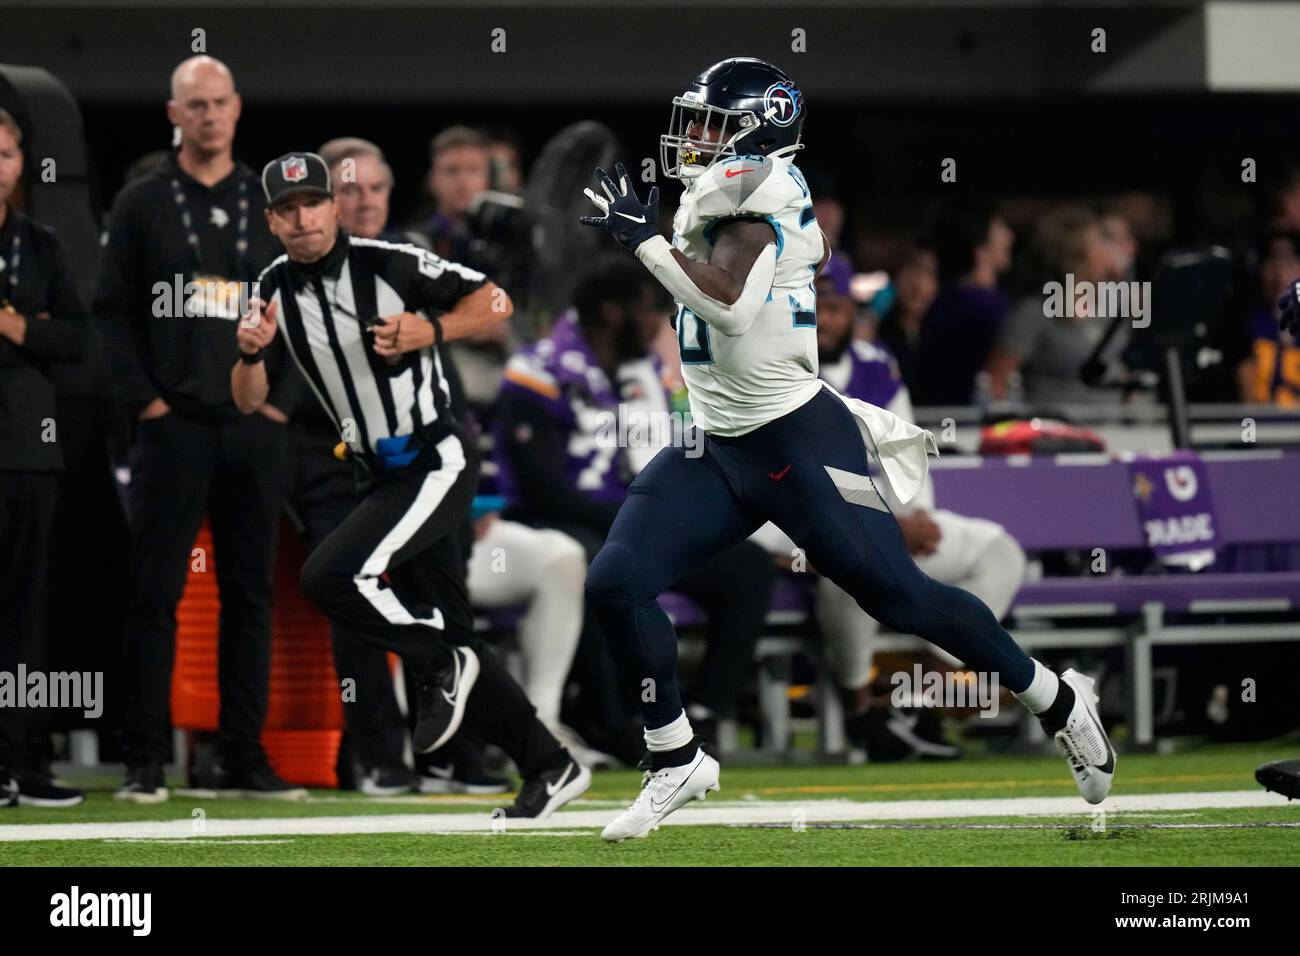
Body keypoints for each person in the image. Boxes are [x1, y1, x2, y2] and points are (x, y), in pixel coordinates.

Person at [579, 56, 1113, 841]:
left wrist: (644, 241)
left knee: (901, 597)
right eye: (693, 119)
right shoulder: (733, 187)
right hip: (720, 442)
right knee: (616, 583)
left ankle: (1058, 699)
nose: (693, 135)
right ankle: (676, 756)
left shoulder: (759, 205)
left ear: (761, 129)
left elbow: (727, 307)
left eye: (713, 123)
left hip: (795, 438)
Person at [232, 151, 588, 818]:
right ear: (272, 221)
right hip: (377, 473)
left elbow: (496, 300)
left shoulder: (387, 263)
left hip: (435, 459)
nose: (302, 216)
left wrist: (435, 327)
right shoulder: (274, 286)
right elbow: (248, 400)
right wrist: (250, 353)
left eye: (313, 202)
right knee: (460, 639)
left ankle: (433, 661)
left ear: (334, 208)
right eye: (287, 209)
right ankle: (549, 762)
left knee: (329, 577)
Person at [94, 56, 298, 802]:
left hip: (252, 425)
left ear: (237, 109)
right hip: (170, 427)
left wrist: (279, 405)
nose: (209, 116)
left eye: (219, 103)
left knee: (251, 596)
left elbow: (305, 306)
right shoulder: (141, 201)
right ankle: (144, 759)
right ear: (173, 114)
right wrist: (144, 403)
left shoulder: (269, 201)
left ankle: (242, 758)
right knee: (153, 594)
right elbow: (109, 312)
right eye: (195, 105)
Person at [495, 258, 775, 763]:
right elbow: (542, 489)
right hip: (557, 521)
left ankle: (706, 711)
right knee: (603, 564)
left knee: (746, 566)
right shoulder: (536, 371)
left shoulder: (644, 371)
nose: (658, 324)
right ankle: (612, 719)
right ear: (611, 312)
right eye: (649, 310)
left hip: (626, 519)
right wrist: (633, 523)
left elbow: (661, 458)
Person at [752, 266, 1026, 758]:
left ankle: (920, 694)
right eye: (812, 309)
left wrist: (916, 518)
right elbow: (782, 479)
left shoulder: (876, 365)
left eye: (834, 309)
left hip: (892, 523)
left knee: (998, 550)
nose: (823, 321)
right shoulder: (766, 369)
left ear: (852, 314)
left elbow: (903, 449)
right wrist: (889, 528)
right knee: (851, 566)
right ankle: (863, 708)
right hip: (808, 538)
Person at [0, 109, 87, 807]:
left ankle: (22, 757)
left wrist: (16, 324)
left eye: (3, 154)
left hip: (30, 449)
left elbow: (80, 341)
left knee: (26, 613)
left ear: (20, 164)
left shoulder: (40, 243)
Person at [911, 198, 1014, 406]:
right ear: (980, 248)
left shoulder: (940, 305)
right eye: (1001, 230)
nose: (1010, 237)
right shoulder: (991, 310)